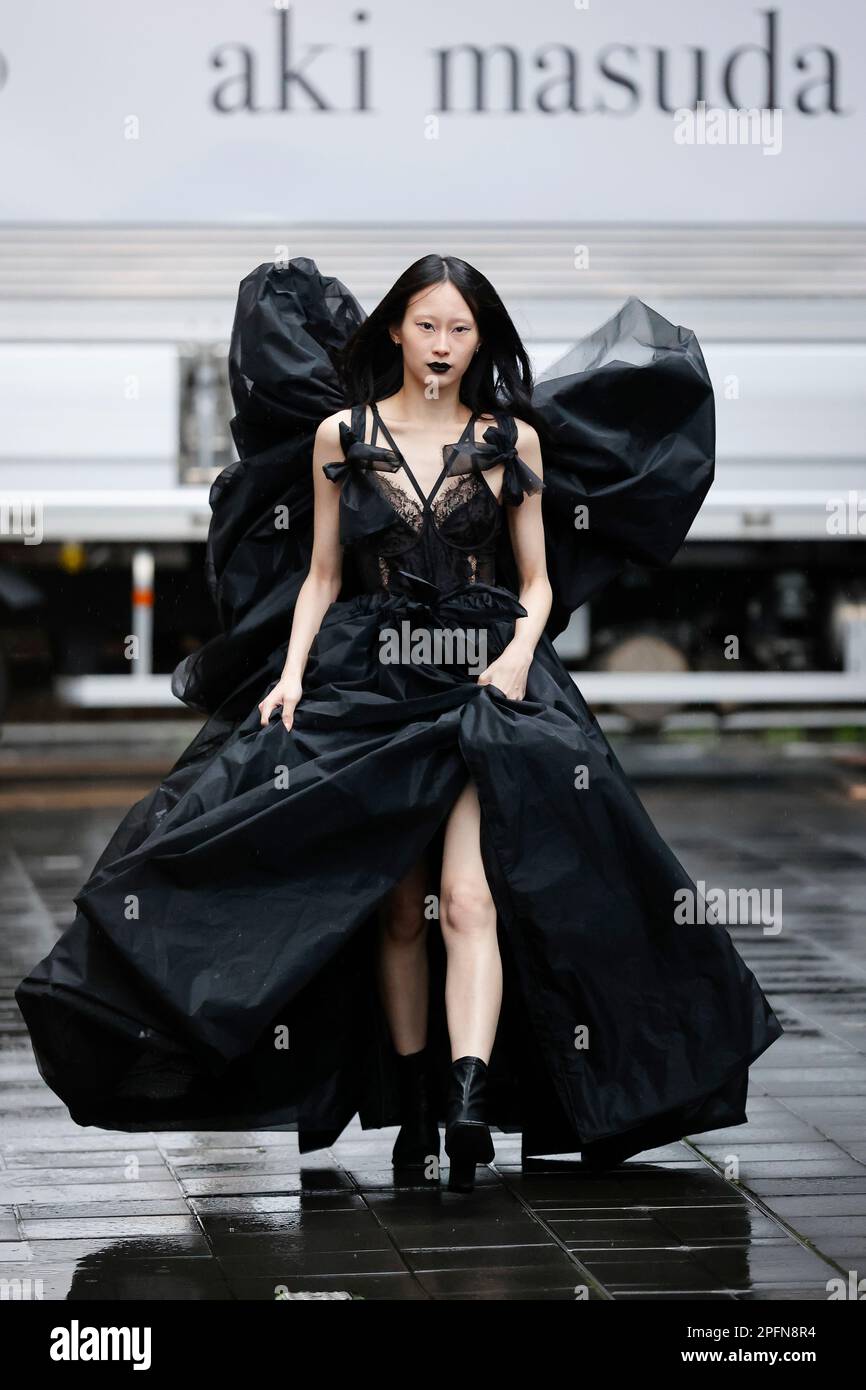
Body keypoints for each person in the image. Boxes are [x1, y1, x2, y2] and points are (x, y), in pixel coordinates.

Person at [16, 255, 783, 1195]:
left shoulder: (511, 442)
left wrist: (514, 655)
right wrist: (291, 675)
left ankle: (467, 1105)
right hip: (369, 682)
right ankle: (417, 1106)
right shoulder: (343, 436)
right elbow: (325, 576)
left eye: (461, 331)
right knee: (394, 912)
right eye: (428, 327)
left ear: (481, 340)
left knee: (468, 901)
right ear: (395, 330)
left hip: (483, 681)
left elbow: (536, 581)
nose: (444, 347)